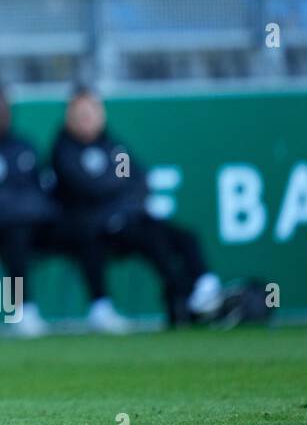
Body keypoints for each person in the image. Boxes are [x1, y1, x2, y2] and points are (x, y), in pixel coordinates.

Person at [0, 85, 125, 336]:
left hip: (37, 225)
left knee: (84, 229)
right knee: (15, 232)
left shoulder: (22, 146)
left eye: (4, 108)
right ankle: (22, 309)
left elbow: (43, 188)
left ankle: (101, 307)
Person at [50, 88, 224, 327]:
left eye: (91, 112)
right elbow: (86, 187)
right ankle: (109, 306)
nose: (87, 119)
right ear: (69, 116)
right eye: (80, 114)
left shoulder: (113, 147)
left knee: (182, 236)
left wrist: (118, 195)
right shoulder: (63, 150)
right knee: (132, 240)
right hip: (93, 227)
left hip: (128, 220)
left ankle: (202, 291)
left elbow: (138, 179)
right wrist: (116, 191)